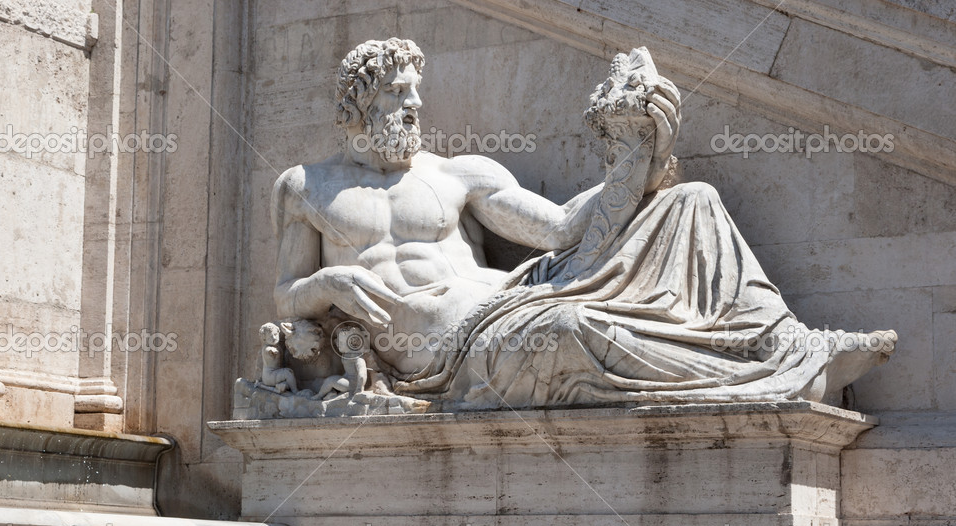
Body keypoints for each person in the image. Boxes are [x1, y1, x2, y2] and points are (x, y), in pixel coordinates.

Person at [271, 38, 894, 410]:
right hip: (444, 352)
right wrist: (327, 283)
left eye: (414, 92)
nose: (414, 105)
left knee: (692, 199)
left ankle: (785, 348)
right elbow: (285, 294)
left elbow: (563, 228)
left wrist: (643, 155)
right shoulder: (306, 186)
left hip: (515, 298)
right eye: (397, 92)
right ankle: (773, 379)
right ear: (360, 100)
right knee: (569, 327)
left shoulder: (458, 172)